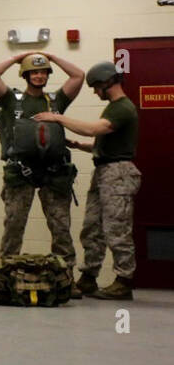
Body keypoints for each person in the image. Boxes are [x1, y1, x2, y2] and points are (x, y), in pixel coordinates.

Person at [35, 61, 141, 300]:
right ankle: (89, 278)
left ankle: (124, 281)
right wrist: (77, 145)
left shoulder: (122, 108)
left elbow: (94, 130)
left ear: (106, 83)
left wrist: (58, 118)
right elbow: (101, 142)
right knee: (92, 228)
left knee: (117, 229)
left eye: (95, 87)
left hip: (118, 174)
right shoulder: (114, 108)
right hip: (104, 171)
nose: (94, 92)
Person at [0, 53, 84, 280]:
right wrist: (17, 57)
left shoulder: (56, 100)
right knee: (14, 225)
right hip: (21, 173)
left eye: (43, 72)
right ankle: (6, 276)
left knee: (61, 228)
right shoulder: (12, 100)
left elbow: (78, 75)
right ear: (25, 75)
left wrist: (52, 57)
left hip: (54, 173)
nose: (39, 76)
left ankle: (66, 277)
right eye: (34, 72)